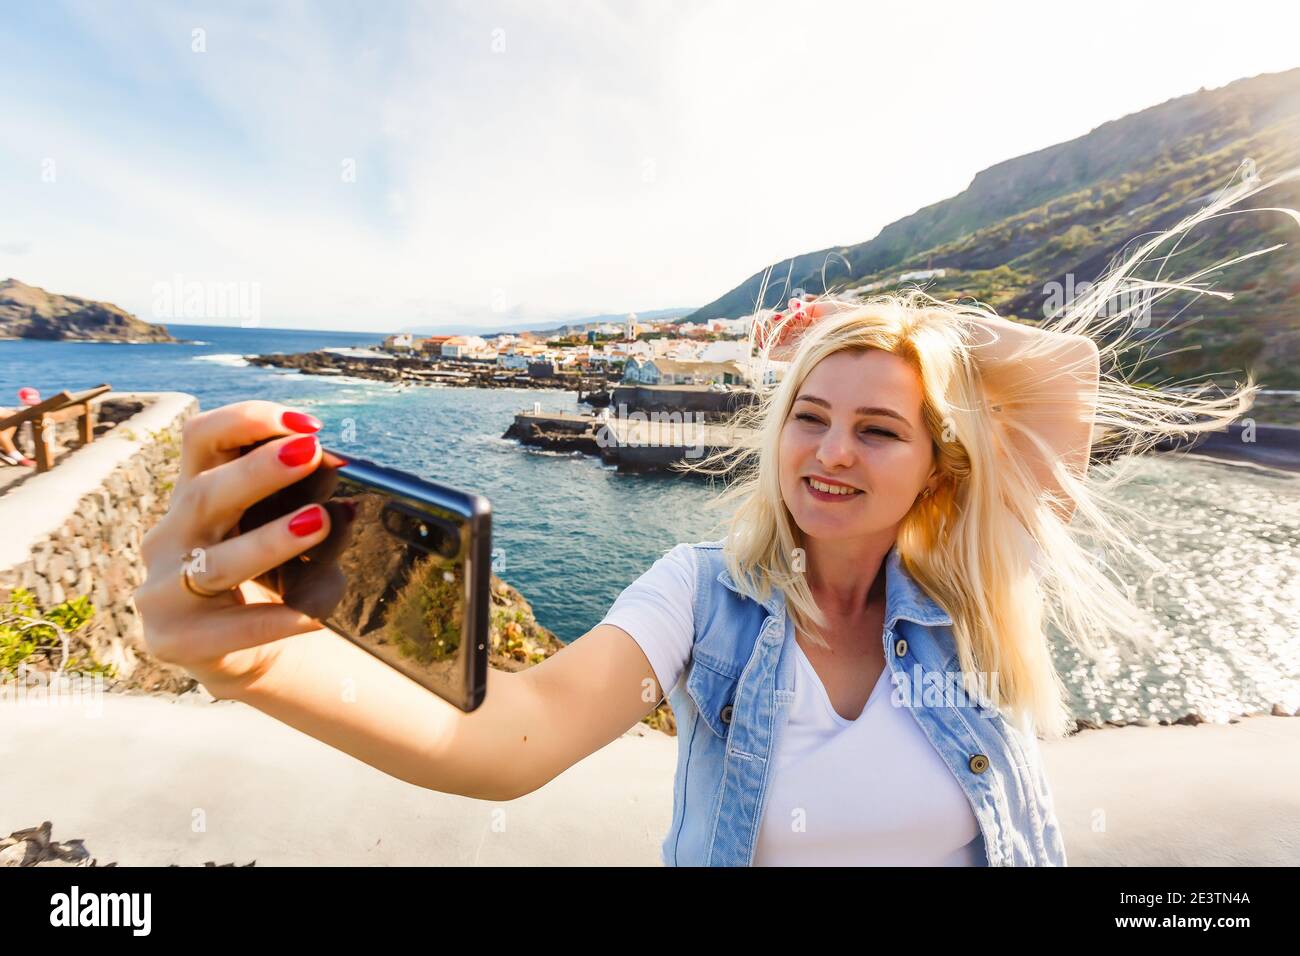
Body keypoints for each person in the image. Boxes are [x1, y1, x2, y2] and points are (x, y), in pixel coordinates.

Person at [134, 167, 1292, 866]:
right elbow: (503, 738)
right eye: (809, 415)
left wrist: (879, 318)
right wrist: (256, 665)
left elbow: (1064, 368)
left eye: (879, 429)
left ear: (936, 465)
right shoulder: (701, 597)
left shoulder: (976, 586)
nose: (831, 449)